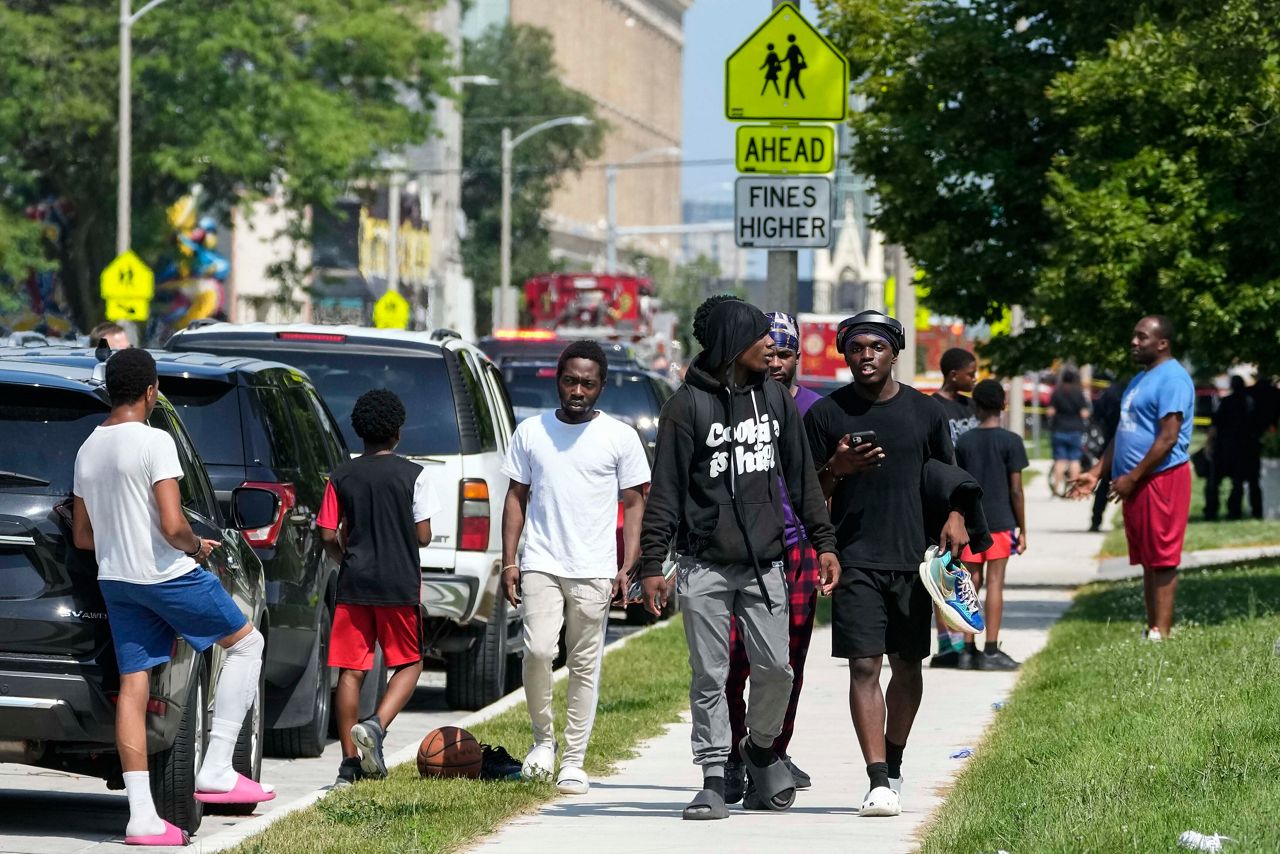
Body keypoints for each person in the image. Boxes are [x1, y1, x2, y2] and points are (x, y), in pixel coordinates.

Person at [639, 298, 840, 821]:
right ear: (733, 343)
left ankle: (759, 748)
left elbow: (801, 479)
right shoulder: (685, 407)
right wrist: (652, 563)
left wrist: (823, 542)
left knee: (777, 669)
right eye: (759, 337)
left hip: (766, 562)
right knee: (710, 674)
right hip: (703, 563)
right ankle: (712, 778)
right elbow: (665, 491)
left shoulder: (774, 399)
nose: (771, 346)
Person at [72, 349, 272, 846]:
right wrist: (197, 546)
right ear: (150, 391)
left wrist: (123, 538)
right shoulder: (155, 440)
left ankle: (142, 817)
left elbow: (82, 536)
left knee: (133, 686)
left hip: (116, 579)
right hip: (165, 575)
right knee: (248, 644)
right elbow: (173, 525)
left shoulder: (88, 448)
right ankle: (218, 766)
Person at [804, 310, 974, 818]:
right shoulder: (827, 414)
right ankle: (877, 779)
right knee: (863, 665)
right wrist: (837, 468)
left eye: (876, 347)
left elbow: (949, 476)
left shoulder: (925, 412)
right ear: (846, 355)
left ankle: (895, 763)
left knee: (907, 664)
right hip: (854, 557)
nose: (866, 356)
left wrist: (957, 515)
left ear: (894, 353)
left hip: (912, 559)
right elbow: (807, 493)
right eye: (856, 348)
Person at [500, 341, 650, 795]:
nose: (578, 391)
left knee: (584, 664)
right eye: (570, 381)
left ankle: (574, 760)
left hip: (594, 566)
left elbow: (635, 501)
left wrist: (629, 563)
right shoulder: (531, 431)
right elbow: (515, 497)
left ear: (601, 386)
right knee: (538, 651)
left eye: (587, 383)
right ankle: (543, 743)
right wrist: (510, 560)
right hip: (541, 560)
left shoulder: (620, 437)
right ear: (558, 380)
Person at [721, 312, 824, 802]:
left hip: (797, 545)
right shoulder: (729, 402)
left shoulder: (815, 410)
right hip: (739, 549)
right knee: (730, 663)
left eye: (785, 353)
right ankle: (730, 756)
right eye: (769, 352)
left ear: (797, 356)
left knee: (786, 665)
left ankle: (771, 753)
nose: (776, 362)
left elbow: (824, 485)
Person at [318, 389, 441, 787]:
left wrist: (343, 556)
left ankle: (348, 765)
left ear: (360, 432)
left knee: (350, 672)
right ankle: (376, 724)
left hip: (354, 584)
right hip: (398, 585)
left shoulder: (341, 475)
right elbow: (423, 535)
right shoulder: (415, 475)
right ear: (398, 432)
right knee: (410, 663)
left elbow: (326, 533)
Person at [1070, 316, 1194, 641]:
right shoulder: (1140, 379)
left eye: (1142, 337)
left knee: (1162, 557)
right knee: (1147, 557)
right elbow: (1124, 432)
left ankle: (1161, 633)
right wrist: (1096, 472)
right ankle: (1152, 627)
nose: (1134, 343)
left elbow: (1168, 438)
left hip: (1161, 478)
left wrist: (1133, 477)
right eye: (1134, 337)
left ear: (1162, 343)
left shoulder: (1173, 379)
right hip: (1136, 483)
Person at [954, 380, 1028, 670]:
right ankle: (991, 650)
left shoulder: (964, 442)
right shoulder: (1012, 441)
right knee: (995, 582)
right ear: (1003, 405)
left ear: (975, 406)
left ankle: (966, 650)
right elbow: (1016, 490)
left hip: (970, 523)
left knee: (969, 583)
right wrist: (1023, 528)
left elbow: (958, 485)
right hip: (1000, 522)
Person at [929, 347, 980, 668]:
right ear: (953, 375)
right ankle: (946, 644)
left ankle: (967, 641)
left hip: (970, 498)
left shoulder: (971, 406)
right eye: (971, 373)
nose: (974, 379)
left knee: (970, 574)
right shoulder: (933, 407)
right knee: (944, 572)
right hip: (945, 498)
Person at [1205, 376, 1263, 520]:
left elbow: (1215, 425)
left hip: (1225, 446)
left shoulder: (1226, 402)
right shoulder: (1251, 402)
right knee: (1241, 481)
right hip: (1247, 446)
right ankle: (1241, 510)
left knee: (1214, 481)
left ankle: (1211, 511)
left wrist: (1209, 444)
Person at [1088, 375, 1129, 532]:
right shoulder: (1134, 390)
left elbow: (1096, 416)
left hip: (1109, 441)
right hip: (1124, 444)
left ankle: (1096, 520)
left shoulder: (1109, 392)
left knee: (1104, 485)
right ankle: (1128, 521)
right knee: (1132, 484)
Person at [1047, 368, 1090, 496]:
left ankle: (1056, 489)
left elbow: (1050, 411)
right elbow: (1084, 413)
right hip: (1075, 430)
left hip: (1059, 430)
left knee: (1060, 460)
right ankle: (1073, 490)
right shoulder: (1078, 393)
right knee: (1074, 460)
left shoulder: (1057, 393)